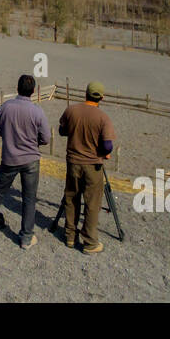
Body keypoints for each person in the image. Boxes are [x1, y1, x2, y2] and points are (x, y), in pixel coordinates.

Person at [0, 74, 50, 249]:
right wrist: (31, 140)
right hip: (31, 159)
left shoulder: (6, 107)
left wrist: (10, 136)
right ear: (33, 91)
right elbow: (46, 138)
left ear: (17, 88)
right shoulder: (37, 111)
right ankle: (26, 238)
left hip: (10, 158)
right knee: (29, 198)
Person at [59, 81, 116, 253]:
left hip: (73, 163)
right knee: (92, 203)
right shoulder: (103, 117)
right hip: (93, 166)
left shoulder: (71, 110)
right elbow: (107, 146)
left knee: (71, 198)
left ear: (86, 93)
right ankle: (90, 242)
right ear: (101, 97)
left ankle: (70, 236)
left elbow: (62, 131)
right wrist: (102, 152)